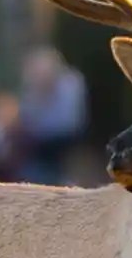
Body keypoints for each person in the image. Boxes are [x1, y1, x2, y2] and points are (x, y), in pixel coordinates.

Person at [17, 46, 88, 185]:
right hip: (39, 139)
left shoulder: (71, 83)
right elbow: (27, 117)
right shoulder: (34, 86)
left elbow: (67, 121)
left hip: (64, 137)